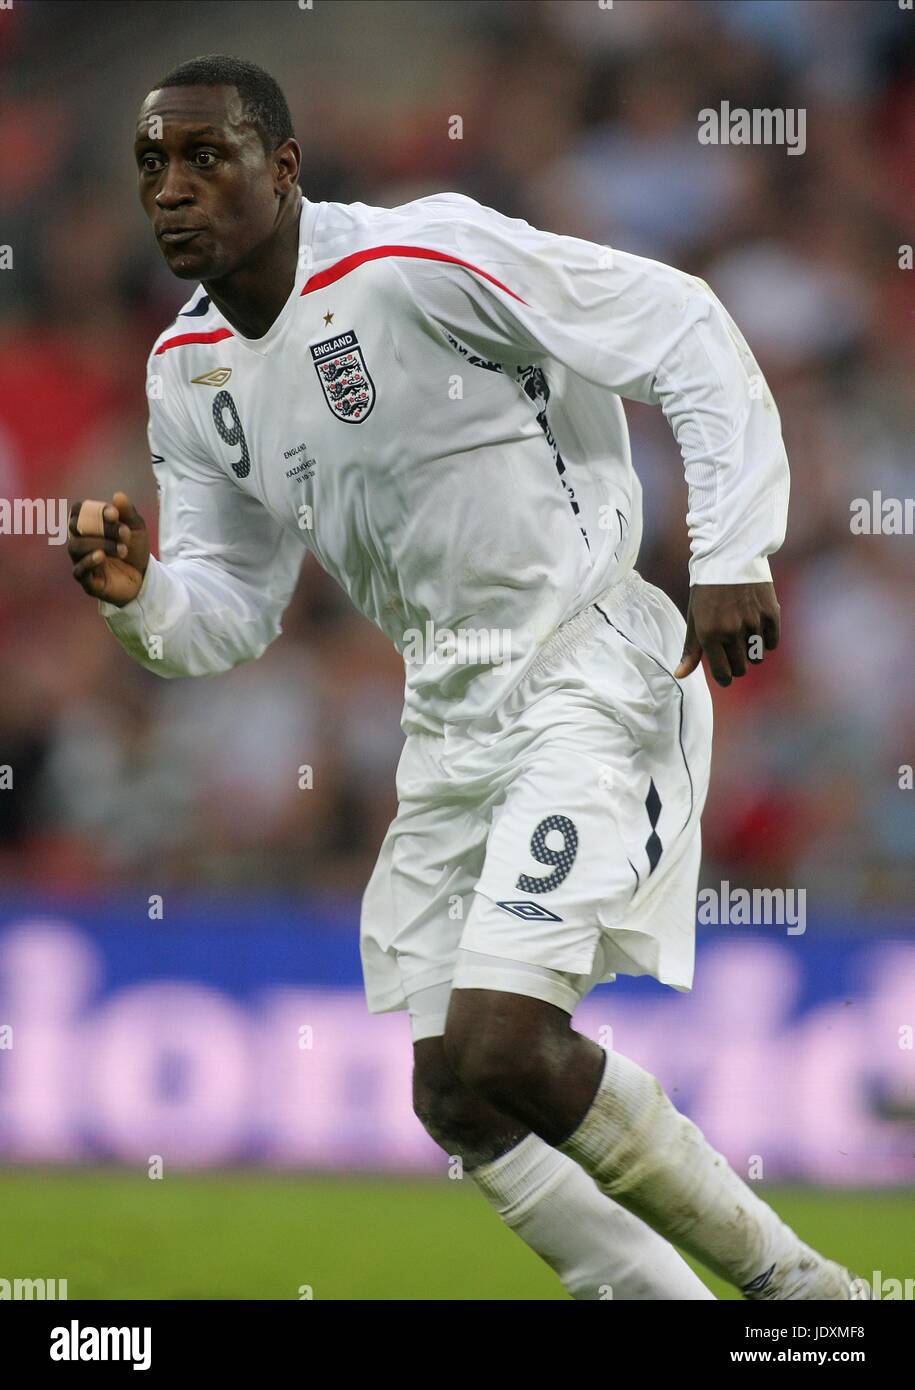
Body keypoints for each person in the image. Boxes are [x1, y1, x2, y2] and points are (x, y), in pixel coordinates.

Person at [68, 55, 866, 1301]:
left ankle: (811, 1302)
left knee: (505, 1037)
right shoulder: (190, 374)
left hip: (585, 667)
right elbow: (231, 609)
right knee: (456, 1089)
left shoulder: (416, 260)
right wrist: (143, 600)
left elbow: (682, 326)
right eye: (150, 164)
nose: (170, 188)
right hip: (445, 718)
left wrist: (734, 545)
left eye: (204, 157)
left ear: (280, 169)